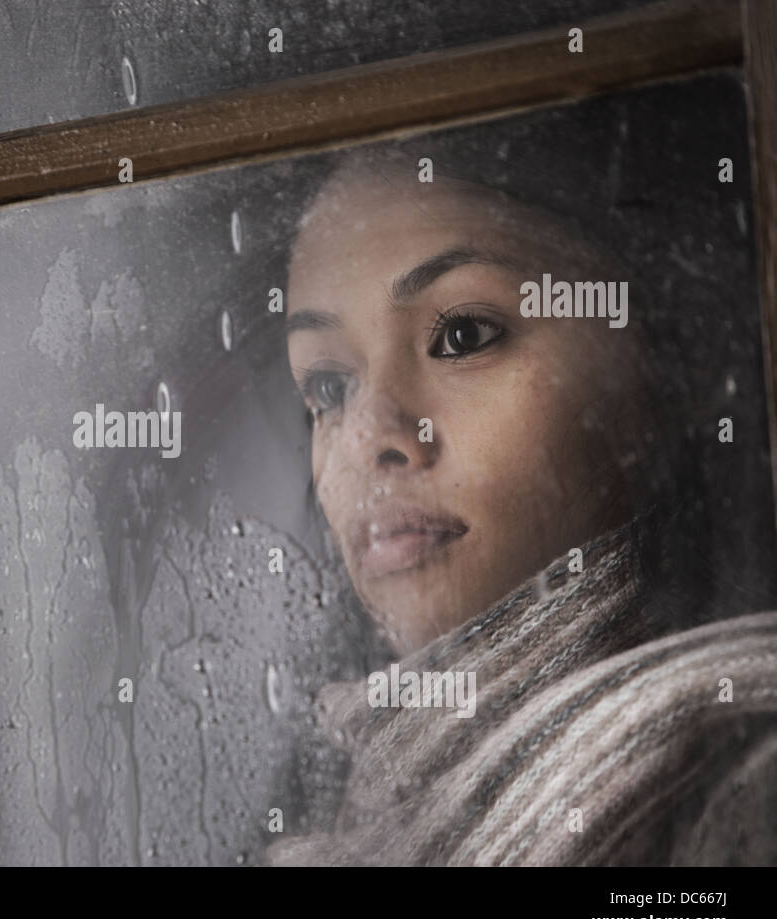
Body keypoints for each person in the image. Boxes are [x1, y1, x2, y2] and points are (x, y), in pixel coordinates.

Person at [268, 146, 777, 865]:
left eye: (463, 335)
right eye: (327, 386)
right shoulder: (330, 803)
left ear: (663, 359)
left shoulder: (742, 794)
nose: (367, 438)